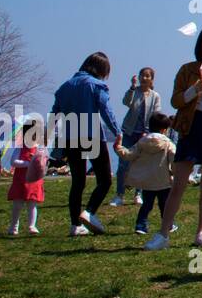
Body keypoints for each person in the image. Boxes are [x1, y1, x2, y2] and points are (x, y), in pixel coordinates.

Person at [147, 24, 202, 250]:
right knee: (179, 183)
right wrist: (193, 91)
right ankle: (163, 233)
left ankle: (201, 232)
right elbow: (175, 101)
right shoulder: (187, 69)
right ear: (200, 43)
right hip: (190, 126)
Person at [49, 52, 122, 237]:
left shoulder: (64, 87)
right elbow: (106, 110)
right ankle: (89, 212)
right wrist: (117, 132)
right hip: (92, 136)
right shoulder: (96, 85)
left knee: (78, 182)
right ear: (101, 70)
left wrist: (48, 134)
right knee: (105, 180)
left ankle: (75, 225)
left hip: (70, 138)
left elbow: (55, 113)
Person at [113, 111, 176, 237]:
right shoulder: (168, 143)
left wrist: (118, 148)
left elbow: (129, 155)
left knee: (147, 205)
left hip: (147, 181)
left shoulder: (142, 142)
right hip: (163, 181)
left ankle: (141, 225)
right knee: (165, 205)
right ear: (164, 130)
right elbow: (174, 159)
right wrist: (175, 173)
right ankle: (169, 224)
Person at [113, 69, 161, 207]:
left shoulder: (155, 96)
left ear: (152, 79)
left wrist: (150, 131)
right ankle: (119, 195)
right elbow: (126, 102)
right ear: (139, 77)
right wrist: (132, 87)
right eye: (142, 75)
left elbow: (156, 113)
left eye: (148, 76)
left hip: (144, 134)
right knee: (123, 164)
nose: (144, 78)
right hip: (129, 132)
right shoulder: (134, 92)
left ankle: (138, 194)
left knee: (141, 164)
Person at [7, 117, 46, 236]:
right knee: (17, 205)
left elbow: (44, 162)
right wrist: (27, 164)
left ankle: (32, 226)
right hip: (21, 181)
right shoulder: (20, 147)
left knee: (32, 204)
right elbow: (13, 162)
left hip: (34, 181)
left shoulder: (39, 148)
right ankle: (14, 226)